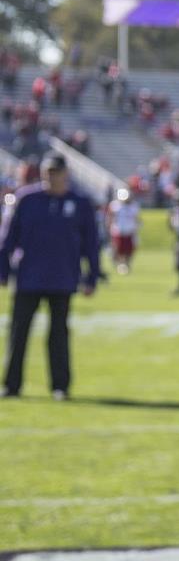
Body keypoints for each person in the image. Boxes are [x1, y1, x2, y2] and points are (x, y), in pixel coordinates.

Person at [0, 153, 103, 400]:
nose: (51, 177)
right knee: (18, 332)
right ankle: (11, 385)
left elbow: (91, 243)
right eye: (48, 172)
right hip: (28, 277)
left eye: (56, 172)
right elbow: (8, 237)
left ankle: (60, 386)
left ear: (65, 174)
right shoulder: (27, 199)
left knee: (58, 334)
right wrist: (3, 270)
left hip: (63, 277)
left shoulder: (79, 203)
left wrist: (92, 277)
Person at [108, 187, 140, 274]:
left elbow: (136, 218)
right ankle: (120, 264)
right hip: (118, 230)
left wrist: (137, 227)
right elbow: (110, 218)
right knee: (118, 249)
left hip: (130, 230)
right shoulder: (115, 205)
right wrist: (109, 228)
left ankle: (126, 264)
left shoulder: (133, 206)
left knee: (129, 250)